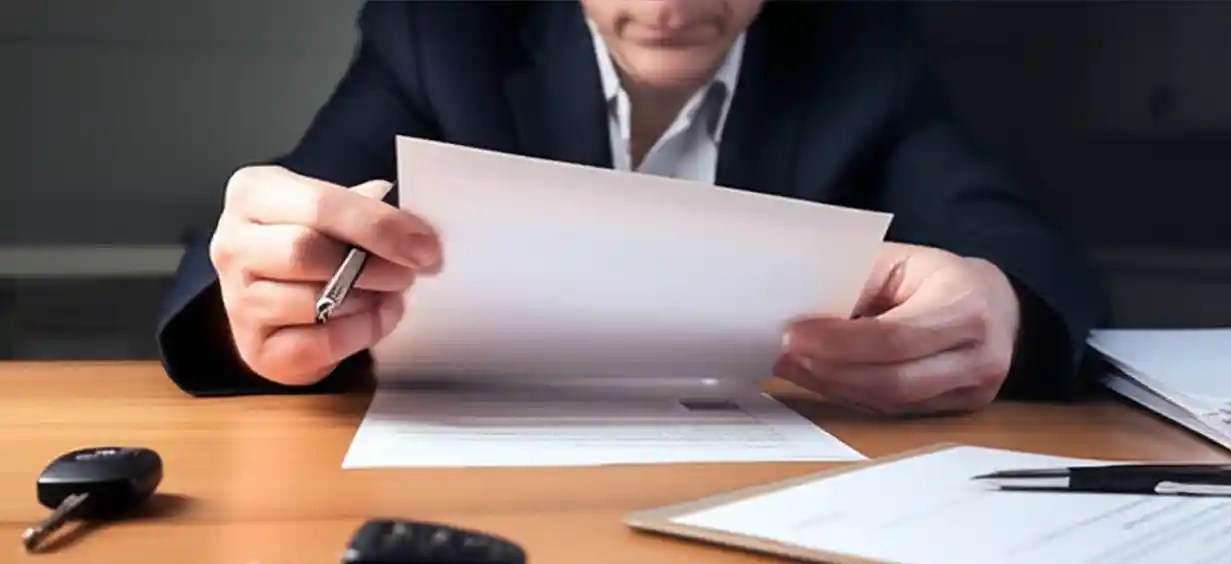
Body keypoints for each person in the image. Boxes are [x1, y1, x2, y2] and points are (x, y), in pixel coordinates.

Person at [155, 0, 1108, 415]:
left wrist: (999, 304)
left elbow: (1007, 234)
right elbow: (286, 212)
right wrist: (260, 291)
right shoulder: (441, 29)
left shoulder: (858, 43)